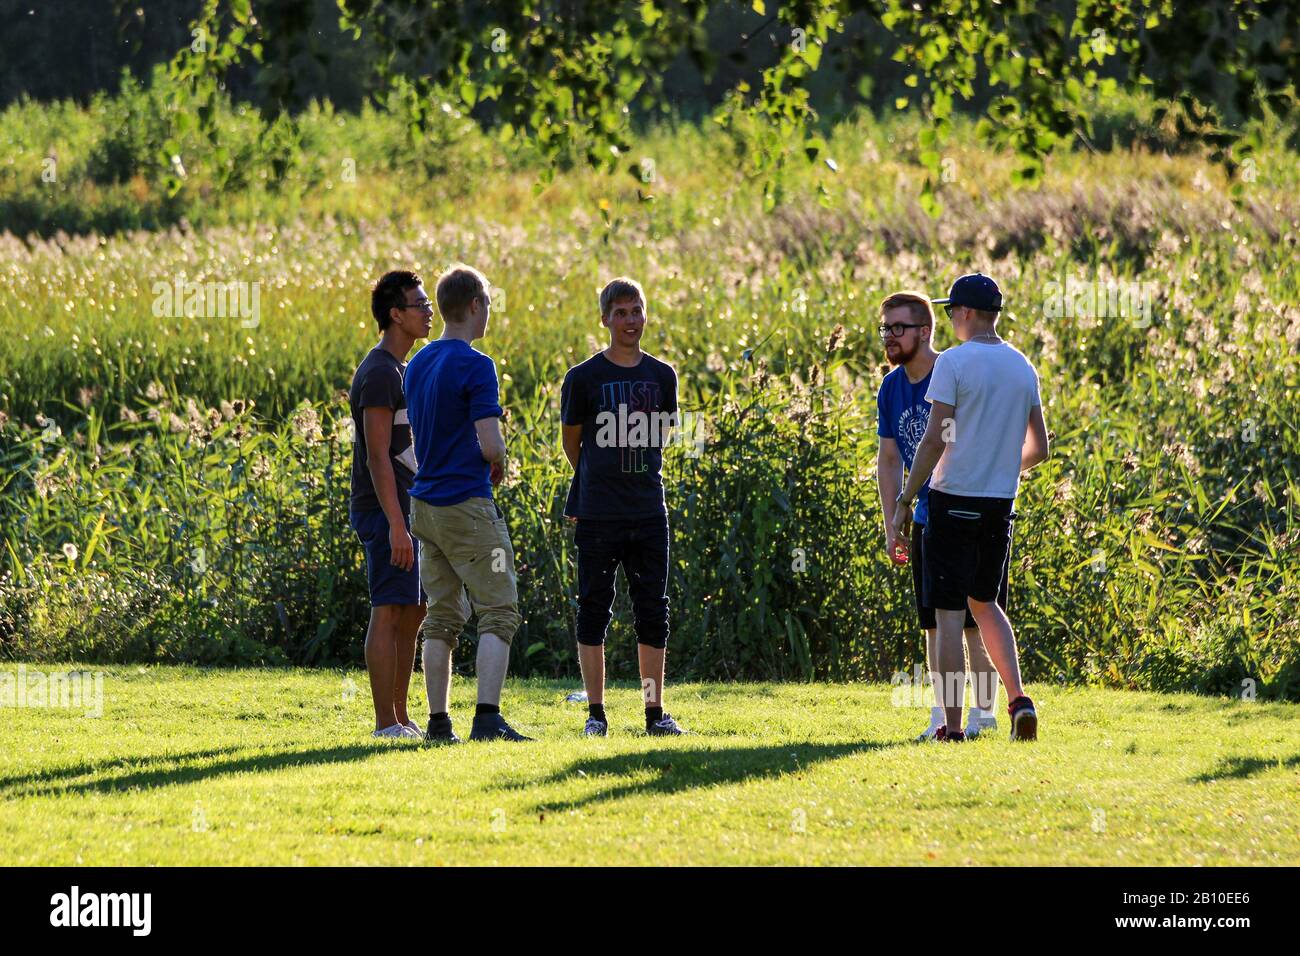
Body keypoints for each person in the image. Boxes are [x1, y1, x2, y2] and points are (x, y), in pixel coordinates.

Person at [892, 273, 1049, 742]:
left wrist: (905, 497)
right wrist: (999, 467)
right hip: (1000, 505)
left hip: (951, 501)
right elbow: (1040, 447)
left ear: (963, 314)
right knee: (986, 603)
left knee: (947, 616)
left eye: (950, 312)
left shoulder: (954, 364)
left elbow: (936, 439)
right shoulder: (1023, 366)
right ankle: (1018, 699)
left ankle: (952, 728)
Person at [404, 264, 530, 743]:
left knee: (443, 613)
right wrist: (496, 458)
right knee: (499, 608)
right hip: (466, 505)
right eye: (489, 305)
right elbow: (491, 444)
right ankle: (487, 718)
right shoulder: (477, 365)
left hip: (425, 506)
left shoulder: (418, 363)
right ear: (475, 305)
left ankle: (438, 722)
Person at [874, 291, 1004, 741]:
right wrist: (895, 516)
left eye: (899, 328)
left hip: (965, 505)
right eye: (885, 328)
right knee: (933, 622)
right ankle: (940, 716)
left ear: (925, 331)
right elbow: (889, 458)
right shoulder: (890, 388)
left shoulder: (954, 370)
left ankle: (983, 714)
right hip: (924, 514)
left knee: (973, 620)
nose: (889, 336)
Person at [561, 277, 686, 737]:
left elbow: (663, 437)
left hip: (649, 510)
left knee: (653, 609)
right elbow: (573, 445)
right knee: (594, 608)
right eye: (621, 313)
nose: (630, 321)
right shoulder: (583, 377)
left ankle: (655, 713)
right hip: (597, 513)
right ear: (605, 319)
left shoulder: (662, 375)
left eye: (636, 311)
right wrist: (599, 476)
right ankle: (596, 713)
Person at [349, 270, 431, 739]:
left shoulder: (403, 368)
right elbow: (377, 455)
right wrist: (397, 525)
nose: (427, 312)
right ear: (395, 315)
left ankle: (402, 717)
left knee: (413, 609)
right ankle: (385, 723)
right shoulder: (380, 371)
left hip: (406, 507)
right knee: (389, 608)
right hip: (385, 510)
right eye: (419, 305)